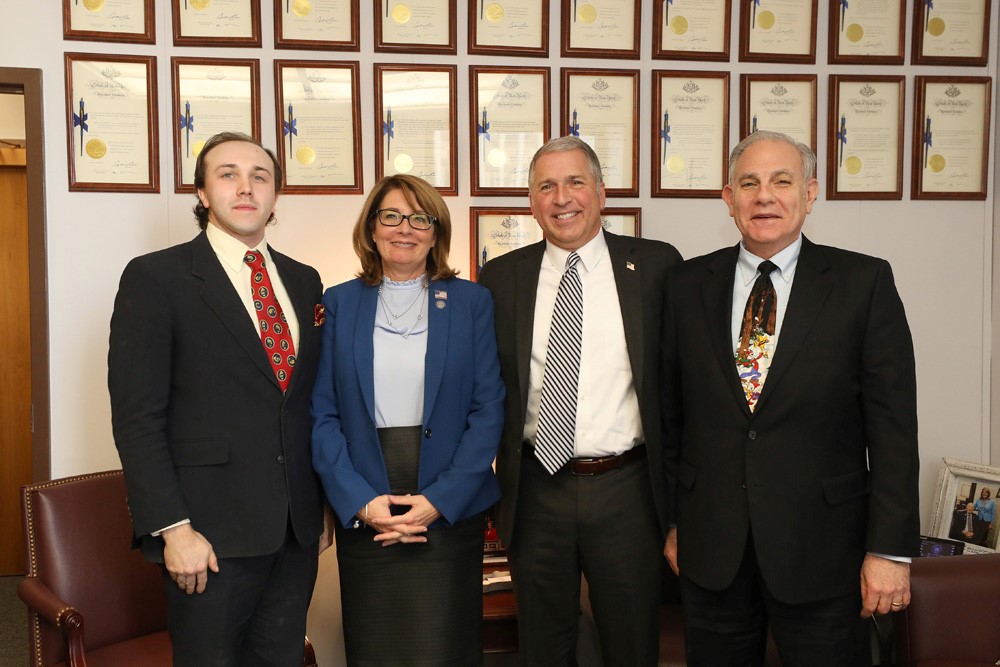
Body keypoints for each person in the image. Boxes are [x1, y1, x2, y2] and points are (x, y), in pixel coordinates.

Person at [662, 130, 920, 666]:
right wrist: (671, 522)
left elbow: (893, 429)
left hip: (825, 552)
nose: (765, 196)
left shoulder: (862, 282)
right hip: (712, 550)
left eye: (782, 181)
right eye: (749, 183)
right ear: (728, 199)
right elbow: (670, 417)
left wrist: (889, 550)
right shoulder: (685, 285)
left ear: (810, 193)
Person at [108, 131, 328, 665]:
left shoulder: (304, 281)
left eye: (260, 176)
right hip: (206, 536)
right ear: (203, 193)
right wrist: (173, 530)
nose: (246, 187)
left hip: (295, 534)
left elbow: (304, 405)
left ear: (276, 195)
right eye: (228, 174)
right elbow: (137, 419)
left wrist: (318, 508)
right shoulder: (156, 278)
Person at [478, 136, 682, 665]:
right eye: (546, 185)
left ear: (600, 192)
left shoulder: (658, 267)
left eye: (575, 182)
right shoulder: (502, 277)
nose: (561, 197)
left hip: (627, 491)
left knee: (631, 644)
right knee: (543, 648)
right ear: (531, 201)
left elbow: (683, 389)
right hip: (535, 490)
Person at [311, 174, 505, 665]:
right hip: (369, 504)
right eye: (391, 216)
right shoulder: (338, 302)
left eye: (420, 218)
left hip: (447, 504)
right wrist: (359, 502)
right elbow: (323, 413)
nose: (405, 228)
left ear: (436, 232)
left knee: (445, 648)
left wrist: (439, 500)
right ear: (372, 228)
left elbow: (488, 409)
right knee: (377, 648)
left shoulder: (471, 302)